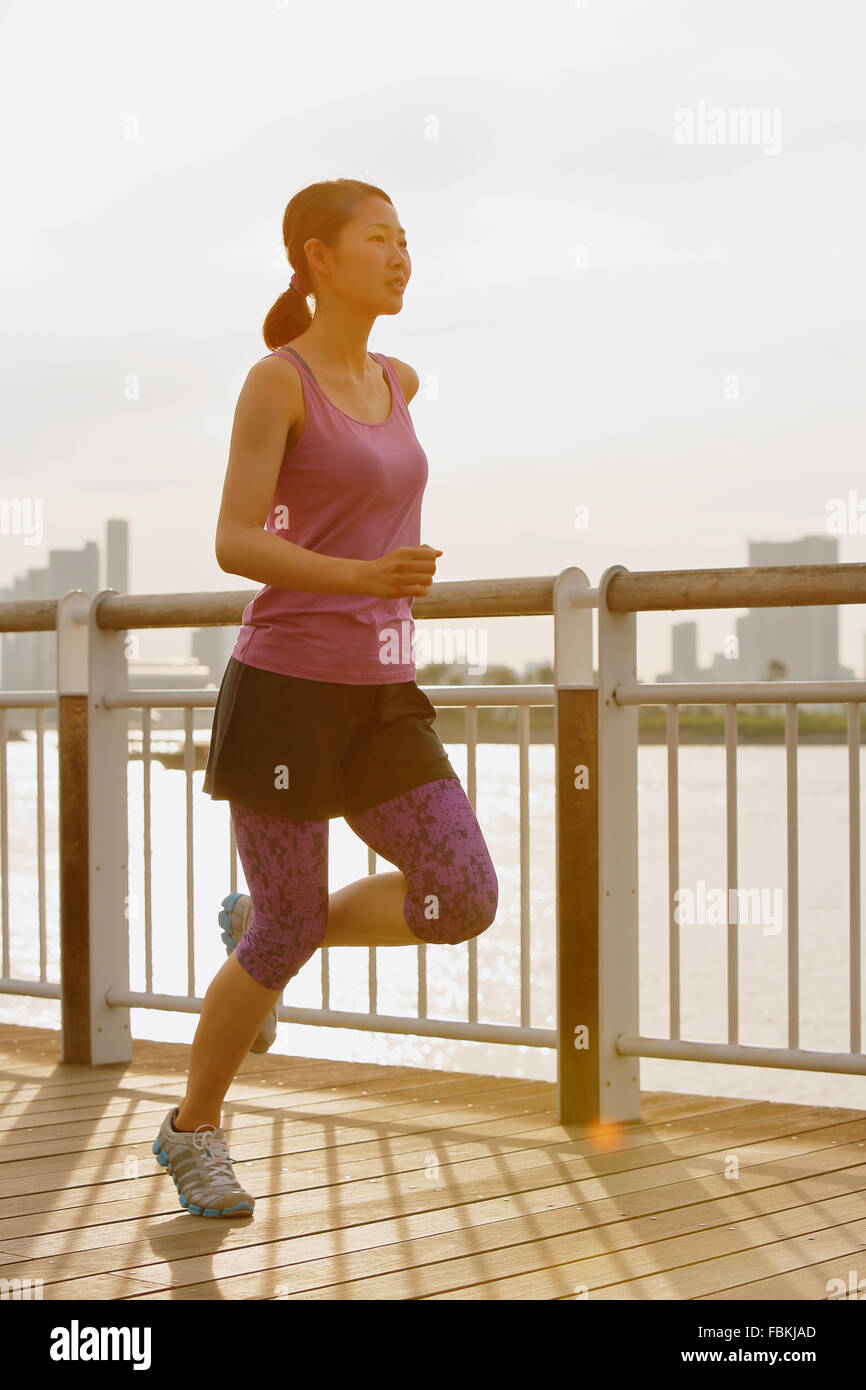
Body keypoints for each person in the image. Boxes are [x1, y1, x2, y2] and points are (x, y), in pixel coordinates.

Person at [152, 178, 499, 1217]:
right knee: (284, 931)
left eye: (405, 239)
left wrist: (380, 585)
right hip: (287, 689)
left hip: (383, 687)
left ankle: (270, 927)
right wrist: (359, 575)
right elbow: (235, 539)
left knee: (462, 894)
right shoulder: (277, 383)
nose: (400, 257)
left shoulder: (399, 379)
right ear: (316, 257)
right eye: (378, 239)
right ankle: (192, 1130)